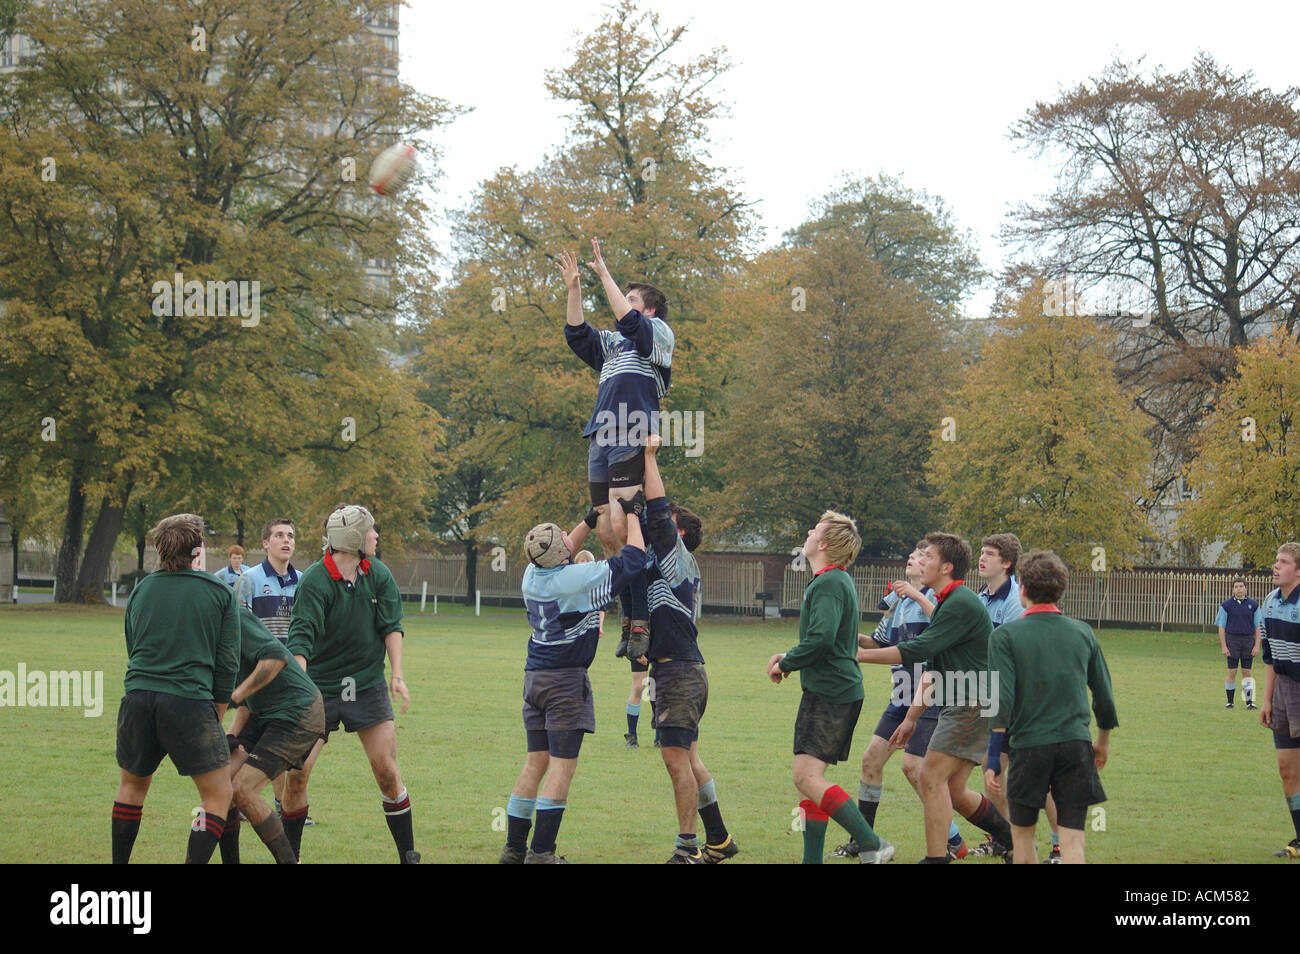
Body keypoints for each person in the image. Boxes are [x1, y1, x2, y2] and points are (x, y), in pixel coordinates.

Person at [499, 498, 646, 864]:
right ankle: (543, 854)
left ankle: (514, 849)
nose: (570, 538)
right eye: (565, 538)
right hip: (565, 683)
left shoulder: (531, 576)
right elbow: (634, 560)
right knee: (562, 767)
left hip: (534, 679)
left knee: (535, 763)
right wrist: (633, 514)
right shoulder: (577, 580)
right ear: (564, 555)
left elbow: (562, 550)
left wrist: (587, 520)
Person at [859, 533, 1015, 863]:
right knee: (954, 791)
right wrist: (912, 718)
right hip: (962, 705)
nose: (920, 560)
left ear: (946, 567)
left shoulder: (959, 603)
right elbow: (932, 667)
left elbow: (919, 650)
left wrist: (858, 656)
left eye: (927, 557)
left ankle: (937, 858)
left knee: (930, 776)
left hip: (971, 704)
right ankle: (1013, 839)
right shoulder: (948, 602)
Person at [558, 241, 673, 665]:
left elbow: (629, 321)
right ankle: (628, 617)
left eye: (632, 300)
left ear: (650, 311)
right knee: (606, 531)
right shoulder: (614, 345)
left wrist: (602, 271)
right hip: (601, 435)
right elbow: (577, 335)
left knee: (626, 529)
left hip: (631, 428)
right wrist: (574, 289)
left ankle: (641, 620)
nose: (623, 305)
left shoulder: (657, 335)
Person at [627, 432, 738, 863]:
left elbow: (656, 508)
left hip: (679, 674)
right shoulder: (668, 562)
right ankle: (720, 840)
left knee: (676, 761)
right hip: (682, 671)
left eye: (670, 519)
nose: (662, 520)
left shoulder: (676, 556)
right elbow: (637, 533)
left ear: (682, 531)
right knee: (689, 757)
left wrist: (650, 457)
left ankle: (686, 849)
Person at [283, 505, 416, 863]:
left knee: (387, 772)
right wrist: (299, 687)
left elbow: (392, 625)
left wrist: (397, 674)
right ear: (355, 538)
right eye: (371, 531)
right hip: (319, 688)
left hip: (366, 683)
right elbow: (300, 638)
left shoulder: (378, 574)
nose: (376, 536)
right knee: (296, 776)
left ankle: (409, 856)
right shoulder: (314, 579)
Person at [112, 514, 239, 864]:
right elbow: (227, 661)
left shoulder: (141, 589)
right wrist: (217, 712)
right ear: (198, 549)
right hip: (188, 701)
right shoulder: (218, 592)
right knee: (218, 795)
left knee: (132, 787)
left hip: (137, 698)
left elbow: (133, 645)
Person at [768, 511, 893, 864]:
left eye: (815, 530)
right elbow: (829, 639)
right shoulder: (833, 581)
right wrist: (791, 655)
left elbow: (821, 639)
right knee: (808, 779)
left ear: (823, 544)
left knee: (806, 777)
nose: (808, 532)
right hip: (832, 690)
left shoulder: (829, 583)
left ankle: (871, 842)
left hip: (831, 693)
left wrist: (786, 664)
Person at [832, 545, 968, 860]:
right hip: (901, 696)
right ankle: (864, 840)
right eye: (912, 554)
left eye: (922, 555)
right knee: (870, 761)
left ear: (936, 566)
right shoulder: (897, 602)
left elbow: (949, 627)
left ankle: (952, 838)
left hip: (930, 695)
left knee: (915, 768)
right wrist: (847, 635)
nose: (913, 557)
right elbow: (881, 642)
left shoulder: (939, 597)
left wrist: (917, 595)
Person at [984, 549, 1117, 864]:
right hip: (1075, 746)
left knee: (1023, 841)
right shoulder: (1083, 632)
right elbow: (1105, 696)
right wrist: (1102, 741)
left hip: (1029, 748)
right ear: (1061, 590)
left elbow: (1001, 701)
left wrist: (993, 757)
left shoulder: (1004, 636)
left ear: (1023, 590)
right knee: (1073, 844)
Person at [220, 606, 325, 864]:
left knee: (242, 790)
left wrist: (234, 696)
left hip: (297, 713)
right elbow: (248, 685)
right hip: (263, 714)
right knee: (220, 787)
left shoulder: (233, 618)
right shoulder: (202, 634)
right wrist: (232, 735)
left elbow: (275, 660)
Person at [231, 517, 308, 830]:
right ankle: (224, 797)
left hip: (292, 678)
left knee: (282, 744)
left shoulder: (303, 580)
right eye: (278, 535)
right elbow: (237, 631)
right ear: (265, 543)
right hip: (259, 675)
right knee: (239, 737)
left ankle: (281, 805)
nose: (286, 540)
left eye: (290, 535)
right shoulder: (248, 580)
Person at [1260, 543, 1300, 859]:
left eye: (1283, 562)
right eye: (1276, 560)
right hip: (1282, 692)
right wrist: (1267, 700)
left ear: (1298, 571)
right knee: (1287, 769)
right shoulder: (1270, 603)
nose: (1276, 566)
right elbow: (1270, 659)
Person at [1217, 577, 1262, 710]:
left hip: (1248, 641)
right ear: (1233, 589)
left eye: (1241, 586)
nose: (1238, 589)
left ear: (1246, 588)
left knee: (1247, 672)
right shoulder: (1226, 605)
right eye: (1236, 586)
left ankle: (1249, 702)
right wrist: (1224, 646)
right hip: (1232, 640)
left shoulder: (1253, 605)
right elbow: (1221, 627)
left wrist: (1257, 645)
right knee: (1232, 672)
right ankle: (1230, 702)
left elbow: (1258, 626)